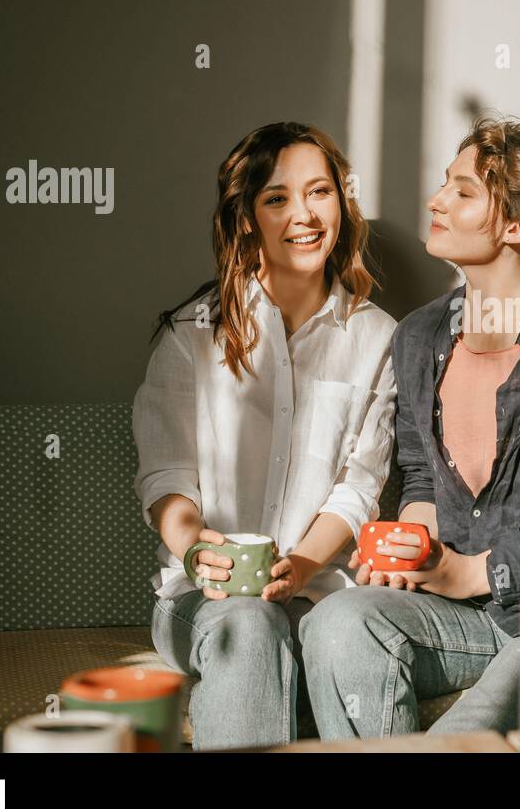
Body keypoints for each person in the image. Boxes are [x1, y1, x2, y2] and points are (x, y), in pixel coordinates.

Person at [301, 114, 520, 739]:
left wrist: (478, 572)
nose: (436, 201)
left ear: (517, 225)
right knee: (337, 622)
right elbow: (420, 480)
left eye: (462, 191)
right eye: (446, 184)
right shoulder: (418, 336)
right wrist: (410, 547)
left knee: (462, 741)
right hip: (467, 618)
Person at [132, 122, 396, 750]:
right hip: (200, 597)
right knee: (247, 623)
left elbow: (357, 491)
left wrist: (300, 569)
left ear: (342, 202)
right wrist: (197, 550)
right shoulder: (191, 336)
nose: (304, 215)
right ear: (247, 218)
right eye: (277, 198)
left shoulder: (380, 338)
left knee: (335, 631)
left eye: (320, 192)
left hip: (321, 595)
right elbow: (166, 478)